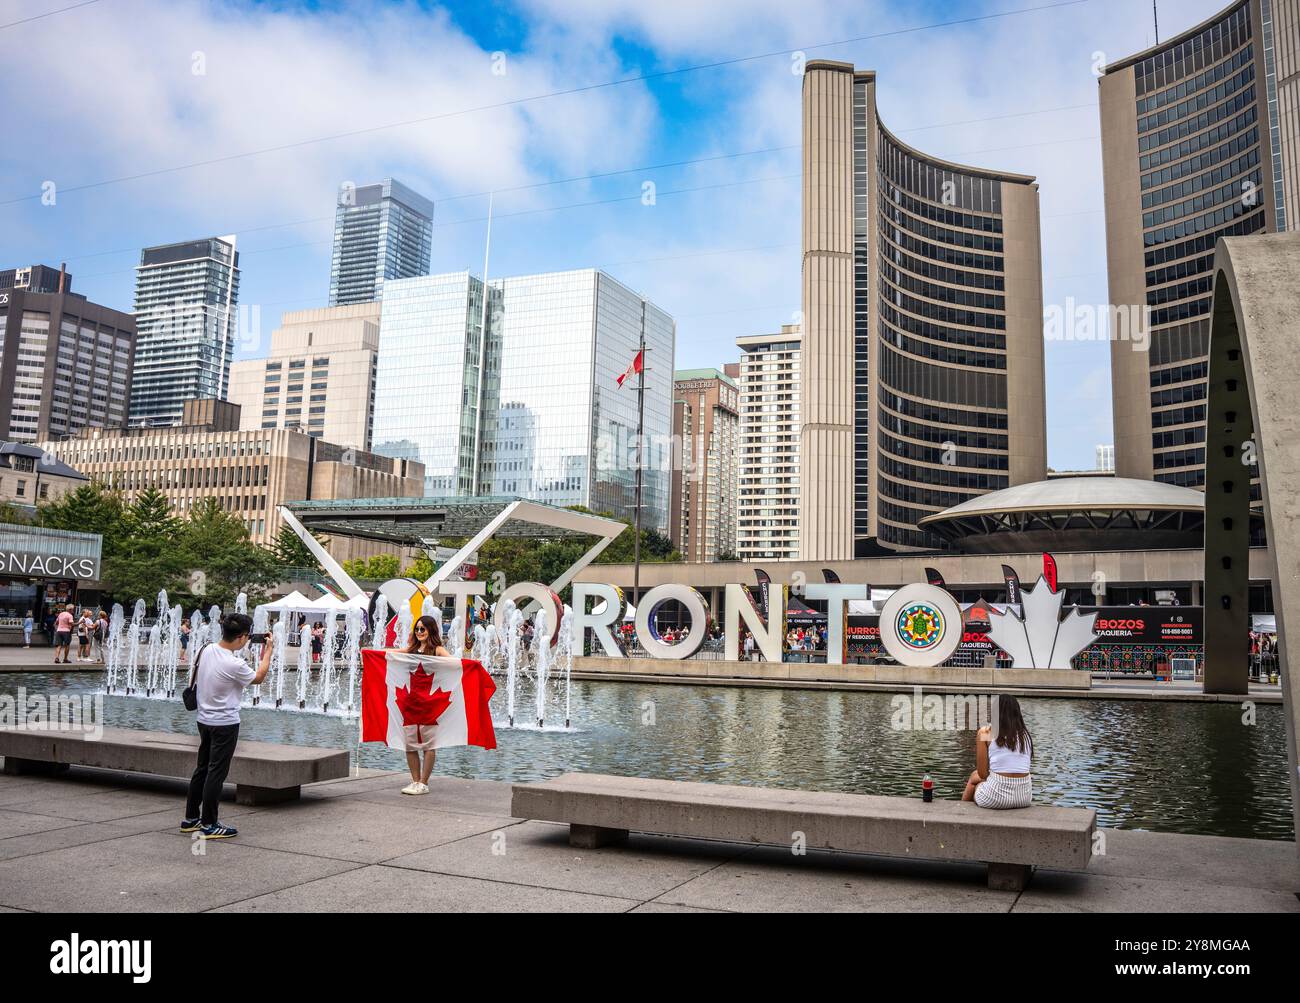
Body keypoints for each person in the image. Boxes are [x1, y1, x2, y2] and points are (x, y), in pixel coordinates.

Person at [182, 613, 272, 839]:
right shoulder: (234, 664)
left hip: (203, 720)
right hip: (225, 723)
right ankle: (210, 824)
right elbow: (259, 677)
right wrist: (268, 651)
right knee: (216, 773)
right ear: (242, 637)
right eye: (248, 636)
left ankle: (191, 818)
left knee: (202, 768)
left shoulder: (207, 649)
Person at [401, 615, 449, 796]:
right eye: (417, 629)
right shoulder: (412, 649)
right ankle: (414, 781)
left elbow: (455, 662)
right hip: (411, 703)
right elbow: (393, 653)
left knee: (429, 745)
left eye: (423, 629)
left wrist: (473, 665)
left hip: (428, 703)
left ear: (431, 630)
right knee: (410, 745)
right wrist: (370, 652)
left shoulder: (437, 650)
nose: (419, 632)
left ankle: (424, 782)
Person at [962, 695, 1033, 809]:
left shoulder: (985, 732)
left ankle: (960, 812)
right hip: (1024, 797)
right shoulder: (1025, 735)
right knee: (976, 776)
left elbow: (982, 774)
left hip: (996, 798)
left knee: (974, 780)